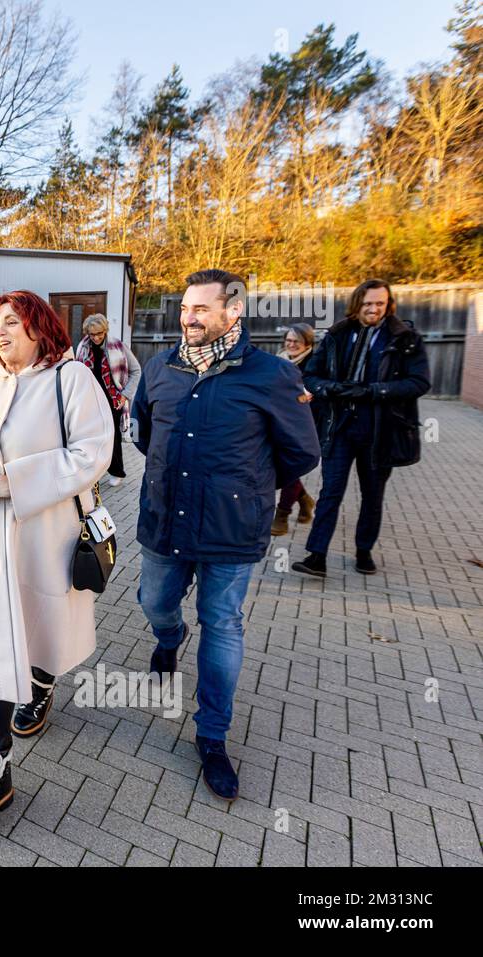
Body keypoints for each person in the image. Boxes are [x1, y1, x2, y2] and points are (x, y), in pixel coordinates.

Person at [133, 269, 319, 801]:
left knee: (223, 624)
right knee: (154, 602)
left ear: (232, 312)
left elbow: (302, 453)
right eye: (185, 308)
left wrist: (246, 488)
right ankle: (169, 639)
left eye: (200, 310)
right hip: (165, 518)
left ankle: (212, 735)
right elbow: (146, 432)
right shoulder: (160, 367)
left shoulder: (270, 375)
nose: (187, 318)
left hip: (231, 530)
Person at [0, 291, 112, 838]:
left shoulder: (70, 379)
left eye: (13, 322)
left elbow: (92, 452)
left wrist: (14, 480)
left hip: (46, 531)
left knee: (42, 628)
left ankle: (40, 683)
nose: (2, 331)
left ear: (41, 328)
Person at [291, 280, 430, 578]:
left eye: (380, 303)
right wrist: (332, 388)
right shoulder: (337, 335)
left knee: (372, 493)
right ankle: (317, 555)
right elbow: (312, 375)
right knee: (331, 492)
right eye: (368, 303)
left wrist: (374, 391)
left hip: (380, 429)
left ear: (388, 304)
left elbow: (419, 382)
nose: (373, 309)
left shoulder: (405, 339)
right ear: (357, 304)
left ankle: (363, 550)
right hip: (340, 427)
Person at [74, 314, 141, 487]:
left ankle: (117, 471)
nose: (96, 337)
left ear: (105, 331)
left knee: (112, 437)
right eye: (92, 334)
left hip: (113, 400)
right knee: (89, 437)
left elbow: (136, 371)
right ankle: (93, 471)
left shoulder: (118, 347)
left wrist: (125, 395)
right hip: (90, 399)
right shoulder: (82, 347)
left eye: (99, 333)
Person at [272, 323, 318, 536]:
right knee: (283, 465)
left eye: (296, 341)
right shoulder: (278, 361)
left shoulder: (313, 365)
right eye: (288, 340)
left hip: (304, 423)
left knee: (294, 465)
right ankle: (305, 499)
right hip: (279, 420)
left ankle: (282, 515)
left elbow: (313, 391)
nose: (291, 344)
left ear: (307, 344)